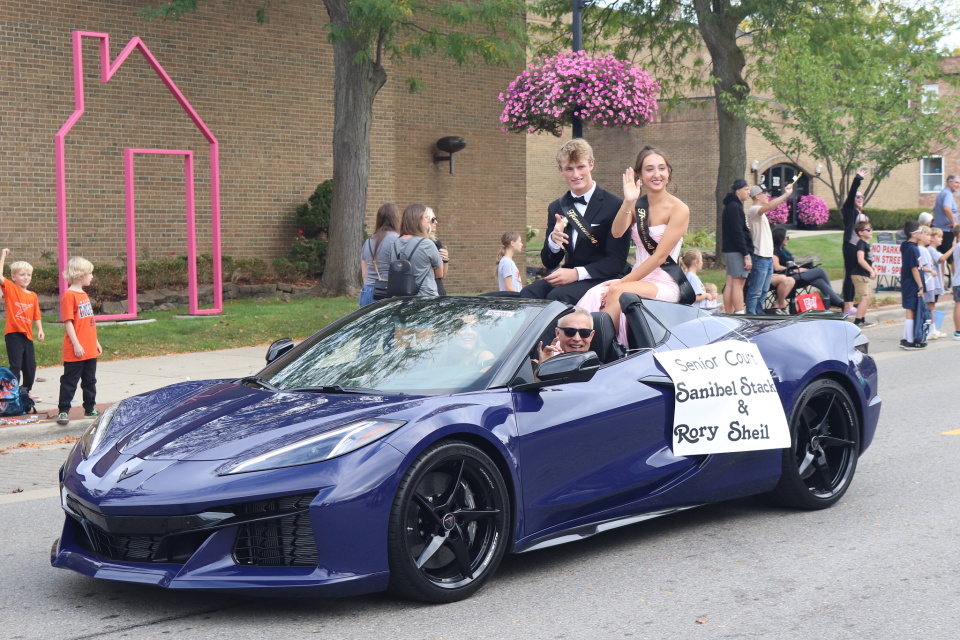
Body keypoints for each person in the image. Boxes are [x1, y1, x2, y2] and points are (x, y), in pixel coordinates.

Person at [592, 146, 690, 334]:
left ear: (669, 172)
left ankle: (607, 346)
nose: (656, 174)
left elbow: (660, 256)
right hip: (638, 278)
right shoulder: (637, 206)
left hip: (664, 282)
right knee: (595, 293)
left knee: (616, 291)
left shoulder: (679, 209)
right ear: (640, 175)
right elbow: (617, 232)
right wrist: (628, 201)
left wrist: (622, 282)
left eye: (662, 168)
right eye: (649, 169)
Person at [519, 139, 630, 303]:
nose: (576, 175)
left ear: (591, 165)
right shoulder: (556, 207)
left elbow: (616, 261)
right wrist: (553, 242)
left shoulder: (615, 205)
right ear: (560, 170)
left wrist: (577, 273)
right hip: (569, 275)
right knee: (528, 293)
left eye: (581, 167)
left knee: (558, 296)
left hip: (603, 276)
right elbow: (549, 262)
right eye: (569, 169)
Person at [57, 257, 102, 425]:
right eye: (89, 273)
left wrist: (95, 341)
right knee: (69, 381)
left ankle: (89, 408)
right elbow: (68, 322)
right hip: (75, 349)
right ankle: (63, 411)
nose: (91, 276)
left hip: (89, 348)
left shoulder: (84, 294)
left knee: (90, 380)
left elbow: (89, 321)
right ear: (80, 275)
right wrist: (76, 344)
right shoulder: (69, 296)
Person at [0, 249, 44, 396]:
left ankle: (25, 391)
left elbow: (36, 315)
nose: (26, 277)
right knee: (16, 366)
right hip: (13, 334)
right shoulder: (11, 288)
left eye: (28, 275)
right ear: (13, 277)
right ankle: (12, 393)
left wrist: (40, 329)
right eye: (22, 274)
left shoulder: (33, 295)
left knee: (30, 367)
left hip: (27, 336)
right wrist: (3, 256)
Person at [744, 184, 794, 314]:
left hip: (767, 258)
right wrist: (786, 194)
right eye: (765, 193)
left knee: (764, 291)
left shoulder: (760, 213)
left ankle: (760, 315)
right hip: (759, 257)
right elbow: (770, 206)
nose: (768, 195)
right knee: (755, 291)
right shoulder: (754, 210)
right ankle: (751, 317)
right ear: (757, 196)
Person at [772, 227, 844, 309]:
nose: (788, 239)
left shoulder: (783, 250)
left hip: (793, 274)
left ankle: (839, 303)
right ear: (780, 238)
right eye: (787, 237)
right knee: (820, 271)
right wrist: (794, 270)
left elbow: (793, 264)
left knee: (819, 281)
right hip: (786, 277)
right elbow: (777, 267)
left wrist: (799, 268)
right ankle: (834, 300)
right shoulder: (774, 250)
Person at [392, 204, 444, 297]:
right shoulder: (427, 244)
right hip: (425, 297)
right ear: (418, 220)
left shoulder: (395, 243)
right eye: (426, 217)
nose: (428, 221)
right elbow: (440, 273)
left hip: (401, 297)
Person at [721, 178, 753, 314]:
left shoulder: (730, 205)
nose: (748, 192)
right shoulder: (735, 207)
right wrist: (746, 254)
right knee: (738, 284)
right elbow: (737, 232)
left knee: (730, 282)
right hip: (737, 251)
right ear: (738, 191)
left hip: (730, 249)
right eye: (746, 189)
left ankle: (729, 313)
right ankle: (739, 313)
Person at [359, 203, 401, 307]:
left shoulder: (368, 241)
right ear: (396, 219)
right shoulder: (397, 240)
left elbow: (364, 274)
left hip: (367, 291)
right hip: (386, 292)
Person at [841, 168, 869, 315]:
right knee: (850, 275)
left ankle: (851, 305)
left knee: (854, 276)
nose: (859, 198)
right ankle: (847, 306)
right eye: (857, 197)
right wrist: (857, 179)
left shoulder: (861, 213)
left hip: (859, 247)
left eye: (862, 197)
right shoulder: (849, 210)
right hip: (850, 246)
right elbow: (852, 192)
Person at [899, 220, 928, 350]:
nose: (922, 233)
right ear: (913, 234)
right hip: (912, 283)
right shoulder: (912, 249)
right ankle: (910, 340)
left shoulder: (907, 246)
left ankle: (906, 338)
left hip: (908, 282)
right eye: (921, 231)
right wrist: (920, 286)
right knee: (911, 309)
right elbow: (914, 269)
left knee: (910, 309)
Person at [851, 220, 877, 328]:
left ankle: (862, 319)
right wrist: (870, 270)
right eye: (868, 230)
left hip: (864, 274)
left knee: (868, 297)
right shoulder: (861, 244)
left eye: (871, 229)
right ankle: (858, 321)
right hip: (859, 274)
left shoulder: (866, 244)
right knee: (865, 298)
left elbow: (868, 260)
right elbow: (861, 260)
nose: (871, 231)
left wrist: (874, 268)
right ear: (861, 232)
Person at [933, 174, 959, 279]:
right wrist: (954, 223)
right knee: (953, 258)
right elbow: (946, 208)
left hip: (939, 230)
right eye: (956, 182)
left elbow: (934, 210)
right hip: (947, 231)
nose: (958, 185)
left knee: (941, 259)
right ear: (949, 182)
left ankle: (941, 283)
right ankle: (957, 283)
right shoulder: (948, 194)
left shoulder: (942, 193)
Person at [922, 226, 946, 339]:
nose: (941, 239)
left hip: (935, 283)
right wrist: (953, 247)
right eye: (939, 237)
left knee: (932, 305)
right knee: (930, 305)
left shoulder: (933, 250)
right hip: (931, 283)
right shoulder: (930, 250)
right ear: (932, 238)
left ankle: (932, 328)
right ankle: (930, 329)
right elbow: (942, 258)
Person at [428, 214, 449, 295]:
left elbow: (441, 275)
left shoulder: (436, 242)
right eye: (433, 219)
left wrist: (445, 260)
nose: (436, 222)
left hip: (438, 288)